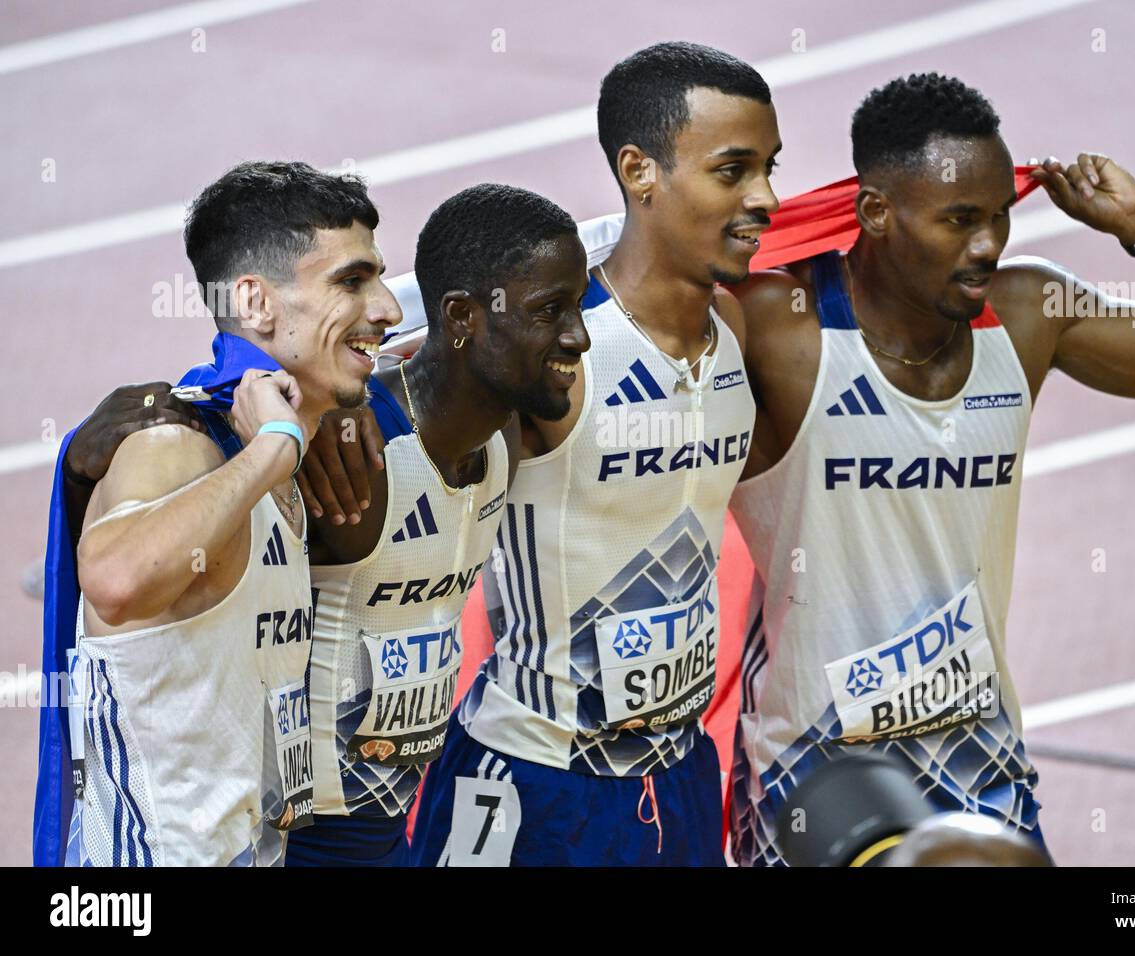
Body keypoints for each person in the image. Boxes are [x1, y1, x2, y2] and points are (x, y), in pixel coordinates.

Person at [726, 73, 1135, 865]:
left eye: (999, 217)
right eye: (959, 220)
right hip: (818, 775)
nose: (988, 244)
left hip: (979, 763)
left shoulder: (1024, 316)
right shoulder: (782, 329)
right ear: (875, 212)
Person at [408, 41, 781, 865]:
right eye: (733, 171)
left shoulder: (742, 331)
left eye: (769, 168)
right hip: (532, 781)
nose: (766, 198)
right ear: (640, 170)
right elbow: (411, 393)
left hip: (679, 777)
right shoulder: (554, 347)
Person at [50, 161, 401, 866]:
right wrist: (272, 453)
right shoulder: (178, 447)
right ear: (256, 303)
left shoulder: (277, 451)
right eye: (352, 281)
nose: (387, 307)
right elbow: (115, 581)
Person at [285, 184, 590, 865]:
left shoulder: (504, 437)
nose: (579, 335)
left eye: (576, 306)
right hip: (295, 844)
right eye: (551, 311)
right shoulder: (346, 443)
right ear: (461, 317)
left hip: (391, 829)